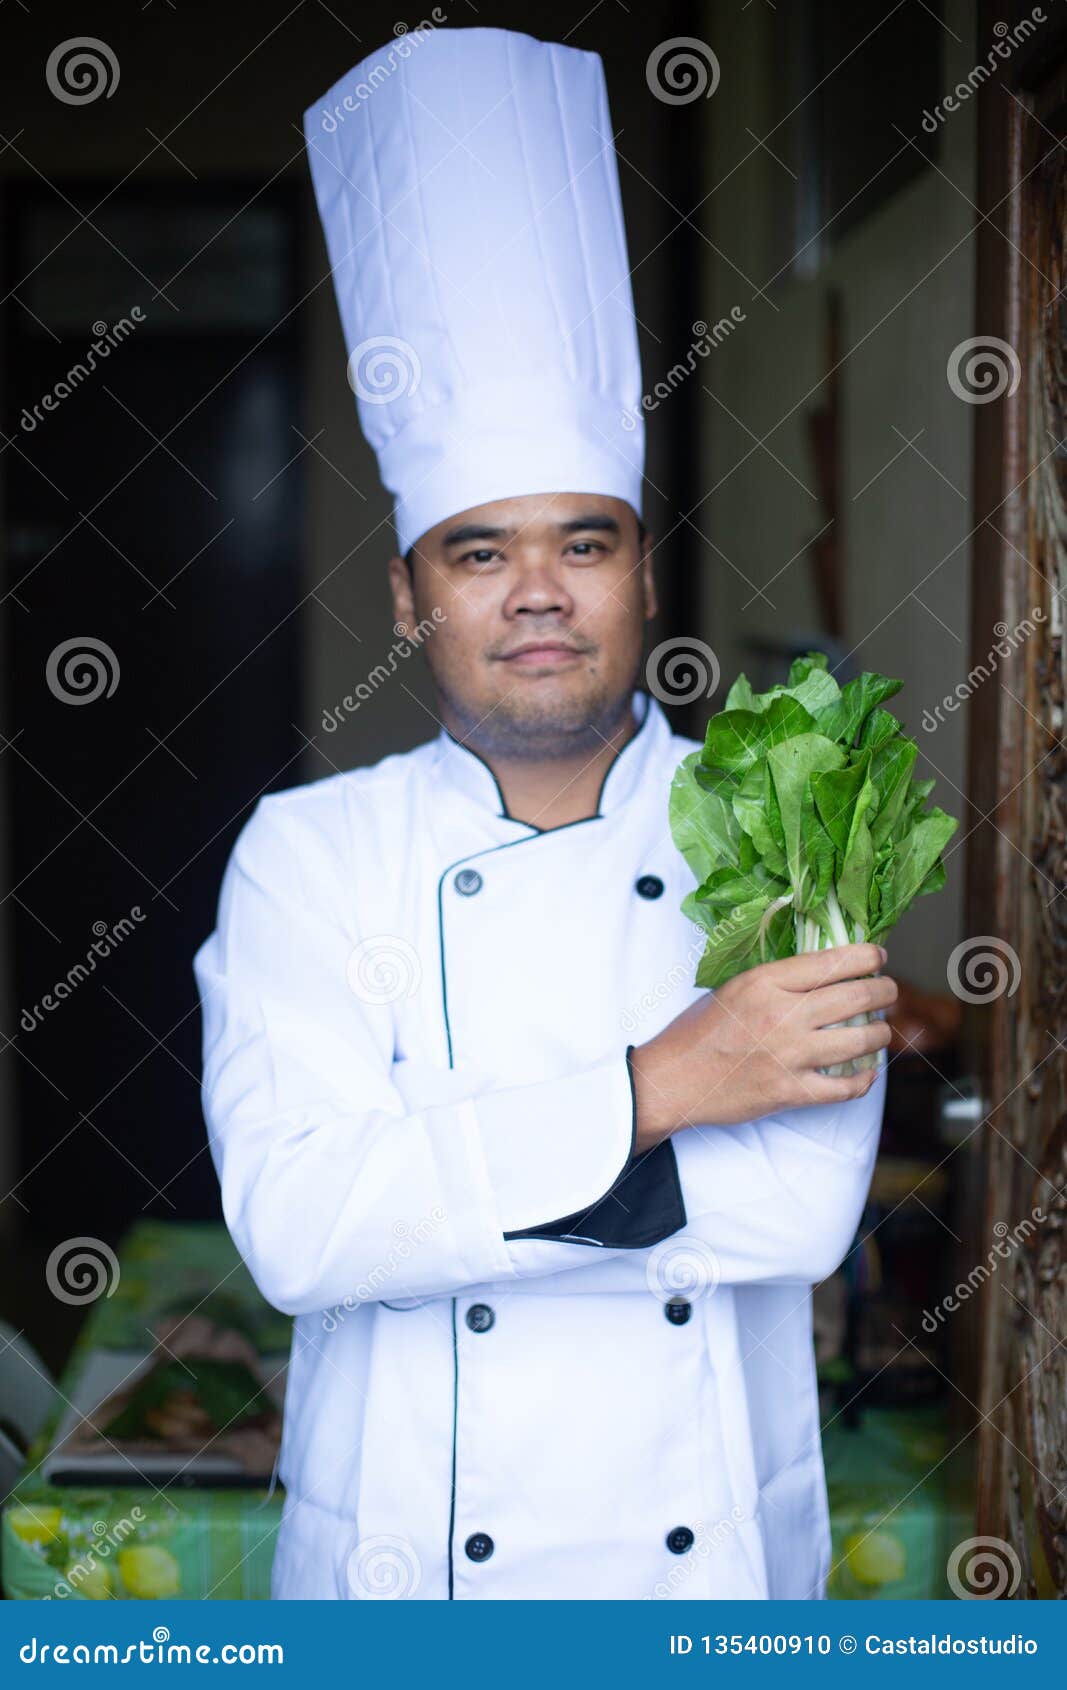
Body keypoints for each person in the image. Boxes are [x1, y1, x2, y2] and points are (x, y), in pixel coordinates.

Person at [194, 26, 893, 1601]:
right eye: (476, 551)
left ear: (644, 576)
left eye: (583, 545)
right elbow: (305, 1235)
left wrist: (438, 1176)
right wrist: (670, 1084)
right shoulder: (309, 854)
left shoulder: (786, 812)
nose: (534, 597)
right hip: (407, 1589)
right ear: (407, 595)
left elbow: (796, 1217)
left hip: (704, 1584)